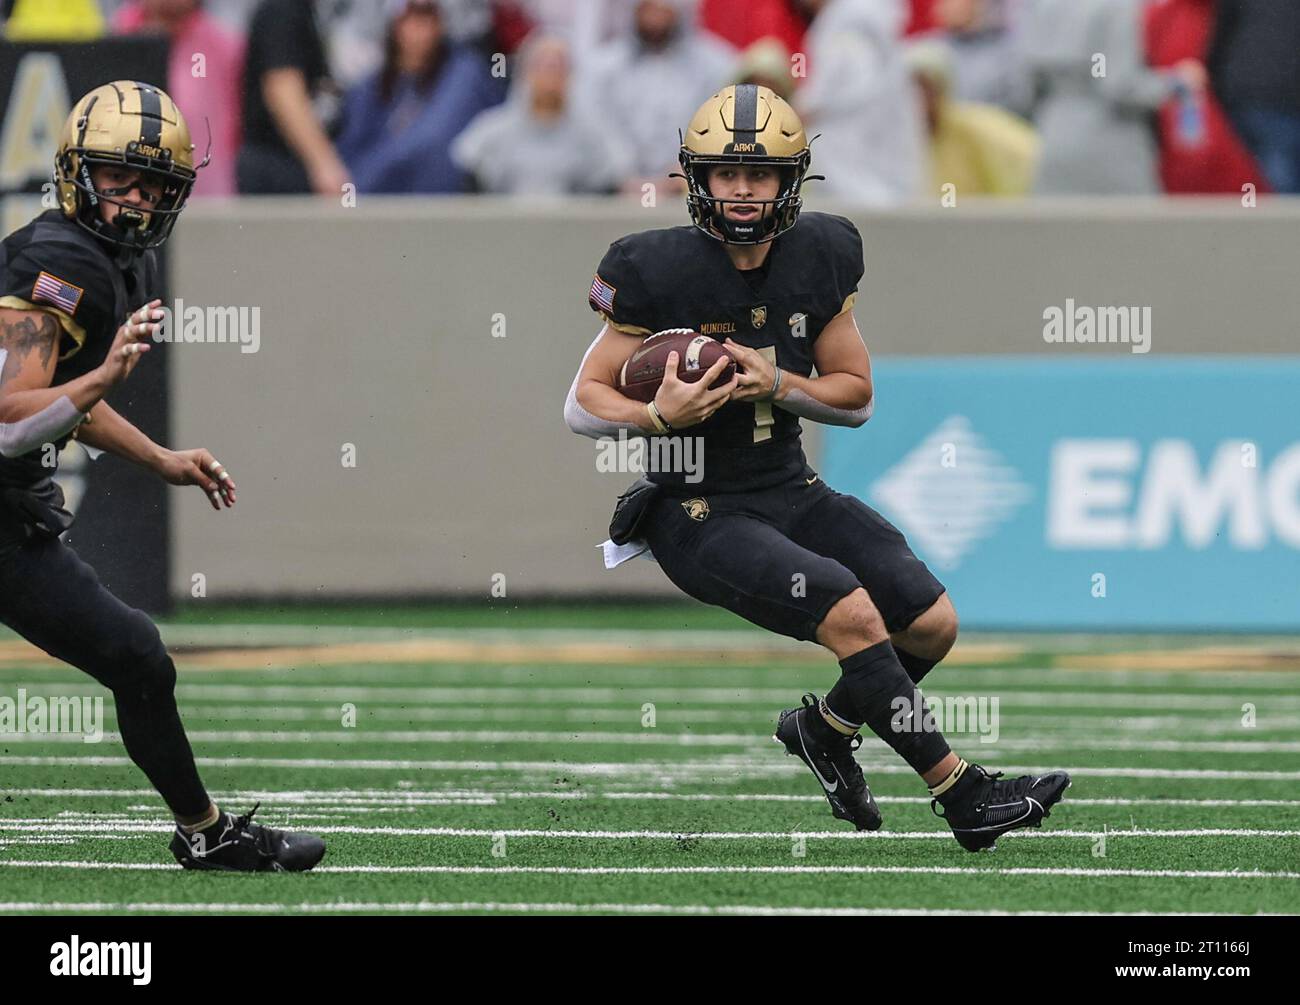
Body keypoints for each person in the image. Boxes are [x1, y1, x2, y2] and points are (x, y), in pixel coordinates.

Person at [564, 84, 1070, 850]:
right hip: (697, 508)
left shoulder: (822, 252)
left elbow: (856, 396)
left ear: (790, 179)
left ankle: (824, 730)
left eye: (759, 175)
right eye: (726, 175)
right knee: (852, 610)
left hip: (788, 487)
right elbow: (580, 404)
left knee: (930, 623)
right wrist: (657, 417)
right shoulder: (652, 267)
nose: (741, 190)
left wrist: (780, 383)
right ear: (697, 179)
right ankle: (963, 793)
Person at [0, 81, 325, 872]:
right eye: (120, 179)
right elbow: (11, 416)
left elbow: (66, 397)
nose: (138, 199)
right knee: (137, 654)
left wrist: (163, 459)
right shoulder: (60, 260)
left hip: (9, 515)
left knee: (137, 656)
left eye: (155, 185)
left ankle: (205, 831)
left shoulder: (111, 259)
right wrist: (102, 377)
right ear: (79, 173)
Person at [335, 0, 503, 194]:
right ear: (395, 24)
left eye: (427, 18)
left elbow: (433, 138)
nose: (420, 30)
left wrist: (361, 182)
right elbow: (350, 149)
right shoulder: (370, 86)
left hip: (440, 203)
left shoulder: (465, 73)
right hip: (376, 205)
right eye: (411, 18)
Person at [452, 33, 627, 195]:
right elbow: (467, 164)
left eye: (558, 66)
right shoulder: (491, 130)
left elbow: (617, 170)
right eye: (541, 65)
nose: (550, 75)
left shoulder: (594, 133)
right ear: (524, 71)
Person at [112, 0, 246, 197]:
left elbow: (238, 127)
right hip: (127, 191)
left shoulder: (225, 46)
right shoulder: (112, 35)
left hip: (205, 197)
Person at [238, 0, 349, 195]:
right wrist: (324, 164)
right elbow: (282, 88)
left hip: (290, 162)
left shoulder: (306, 12)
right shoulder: (282, 10)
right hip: (278, 165)